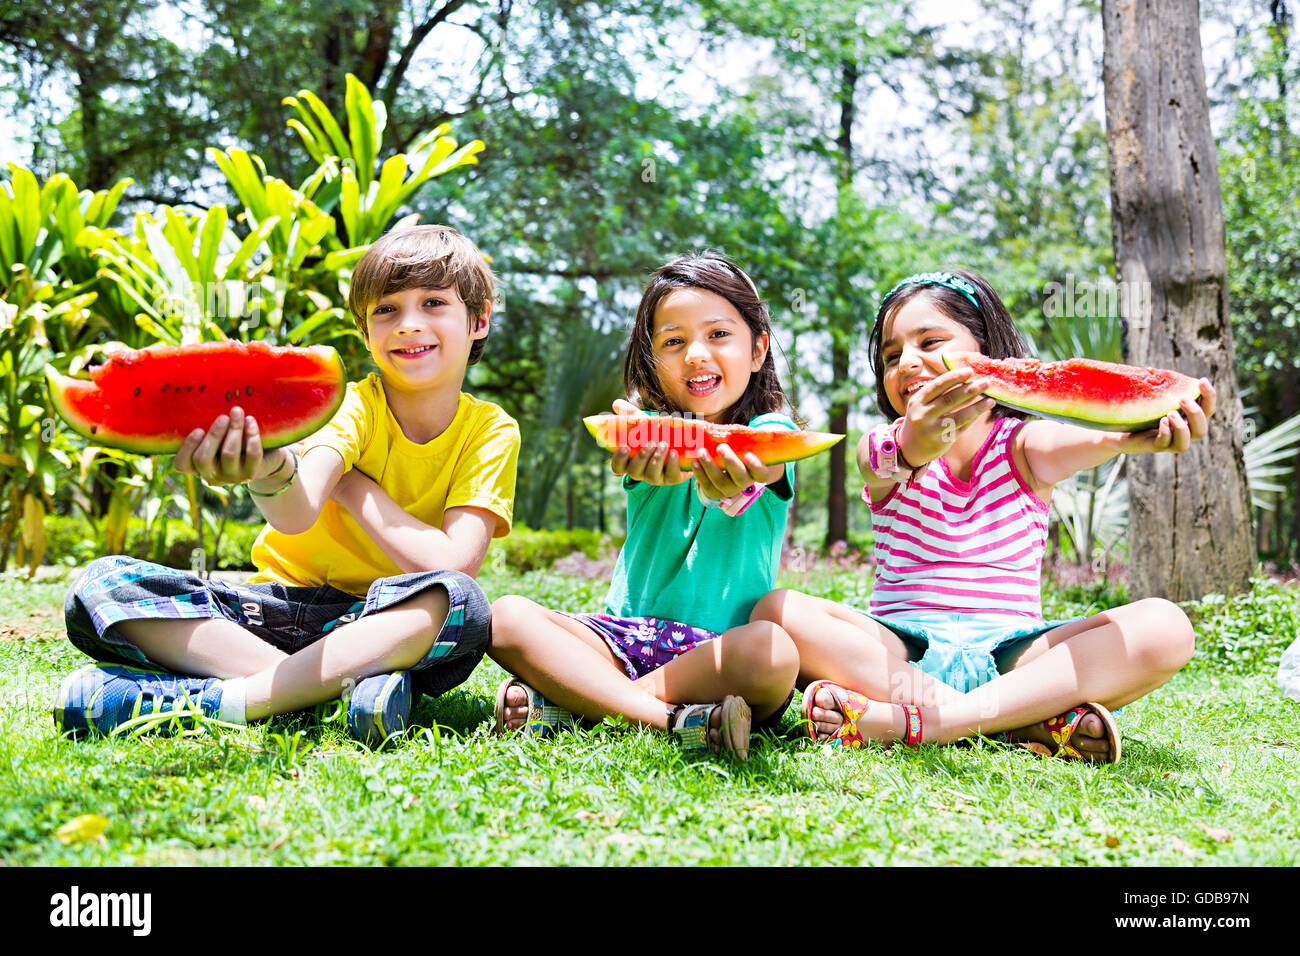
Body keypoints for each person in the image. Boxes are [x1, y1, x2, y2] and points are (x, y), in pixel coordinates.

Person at [56, 225, 519, 746]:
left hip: (380, 622)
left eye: (434, 303)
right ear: (366, 332)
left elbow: (454, 565)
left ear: (479, 320)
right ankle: (331, 697)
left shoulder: (490, 430)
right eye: (386, 310)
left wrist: (353, 488)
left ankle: (228, 700)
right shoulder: (350, 406)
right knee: (102, 585)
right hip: (267, 612)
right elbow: (295, 513)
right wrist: (267, 470)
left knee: (462, 602)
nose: (409, 324)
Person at [751, 270, 1209, 763]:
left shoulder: (1024, 446)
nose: (908, 362)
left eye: (930, 342)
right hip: (901, 654)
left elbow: (1082, 441)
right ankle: (1018, 722)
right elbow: (885, 461)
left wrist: (1125, 435)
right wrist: (914, 444)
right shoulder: (883, 446)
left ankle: (925, 723)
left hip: (1015, 657)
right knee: (777, 610)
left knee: (1166, 626)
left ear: (987, 350)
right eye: (891, 356)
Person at [488, 252, 800, 759]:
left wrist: (734, 481)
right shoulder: (643, 437)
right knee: (505, 616)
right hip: (622, 640)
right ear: (654, 360)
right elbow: (656, 458)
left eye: (719, 334)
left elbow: (766, 466)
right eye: (673, 341)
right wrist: (656, 460)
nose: (696, 354)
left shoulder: (773, 433)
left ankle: (587, 702)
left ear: (758, 349)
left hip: (720, 654)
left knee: (774, 651)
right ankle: (671, 720)